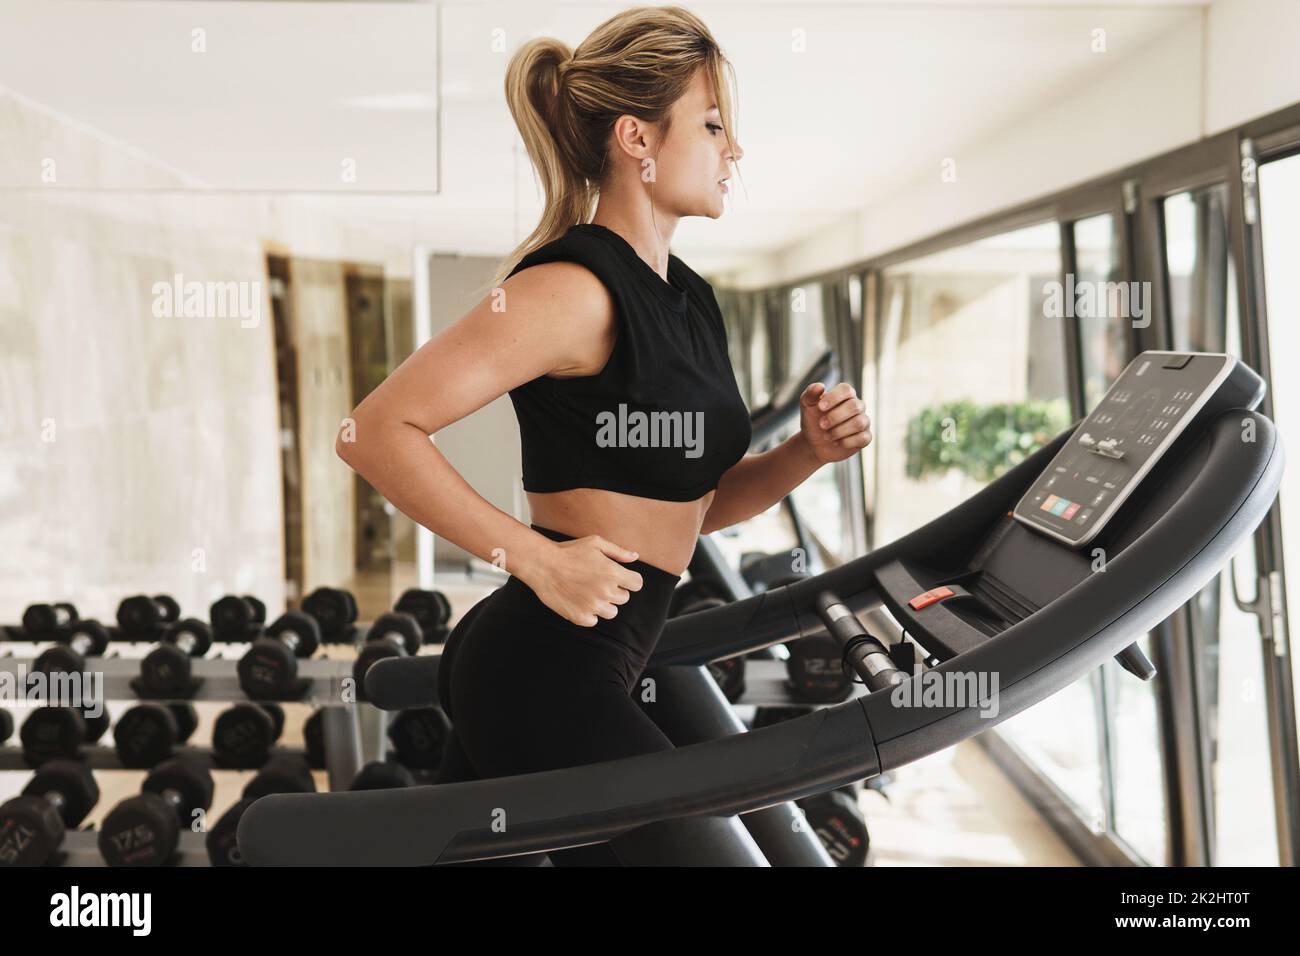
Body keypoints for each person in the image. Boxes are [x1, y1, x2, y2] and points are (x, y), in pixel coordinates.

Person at [336, 5, 872, 864]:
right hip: (543, 669)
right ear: (637, 139)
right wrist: (535, 556)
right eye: (712, 124)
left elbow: (692, 513)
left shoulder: (692, 299)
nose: (734, 149)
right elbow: (373, 431)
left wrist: (805, 452)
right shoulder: (572, 288)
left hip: (600, 657)